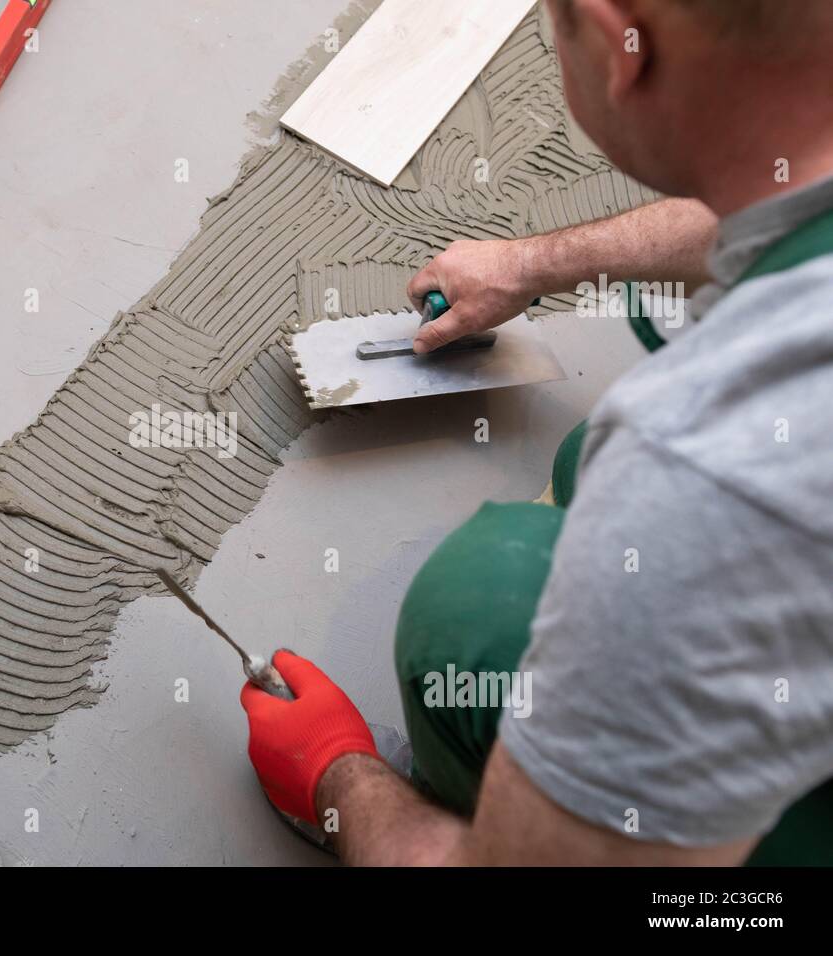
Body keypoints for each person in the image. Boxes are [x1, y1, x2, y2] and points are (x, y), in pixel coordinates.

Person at [240, 0, 833, 865]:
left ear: (614, 40)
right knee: (587, 460)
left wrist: (340, 780)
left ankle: (475, 800)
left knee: (474, 613)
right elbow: (771, 199)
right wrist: (536, 263)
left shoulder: (712, 475)